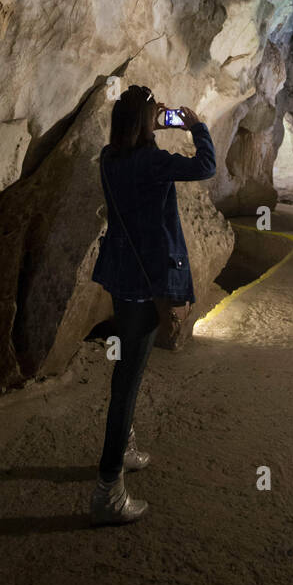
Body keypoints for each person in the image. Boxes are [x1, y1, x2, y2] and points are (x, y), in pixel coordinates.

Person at [90, 84, 216, 526]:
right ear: (147, 124)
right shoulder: (151, 162)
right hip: (145, 279)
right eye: (155, 116)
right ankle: (108, 488)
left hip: (121, 273)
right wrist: (196, 126)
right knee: (129, 377)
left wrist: (151, 124)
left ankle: (122, 450)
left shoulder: (109, 157)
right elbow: (205, 167)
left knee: (125, 366)